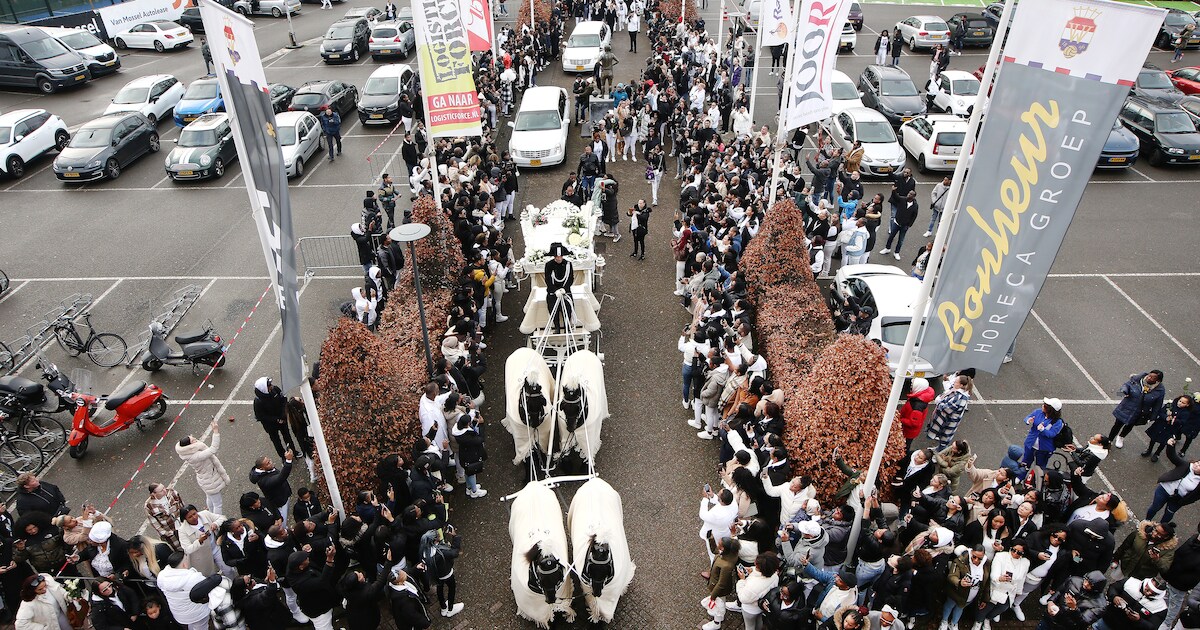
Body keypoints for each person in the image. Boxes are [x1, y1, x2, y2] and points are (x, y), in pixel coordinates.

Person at [175, 422, 230, 516]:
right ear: (190, 445)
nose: (196, 440)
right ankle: (218, 521)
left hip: (205, 481)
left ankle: (210, 515)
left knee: (210, 498)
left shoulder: (189, 454)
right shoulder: (196, 456)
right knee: (218, 504)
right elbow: (213, 449)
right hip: (210, 481)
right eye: (193, 440)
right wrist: (215, 432)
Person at [1145, 438, 1200, 524]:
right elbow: (1173, 456)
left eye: (1199, 466)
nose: (1196, 465)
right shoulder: (1186, 465)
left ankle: (1161, 527)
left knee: (1169, 514)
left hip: (1177, 499)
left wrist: (1182, 502)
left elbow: (1195, 496)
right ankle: (1146, 522)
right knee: (1155, 507)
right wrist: (1171, 446)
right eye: (1198, 462)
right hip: (1164, 489)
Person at [1109, 370, 1165, 449]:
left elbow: (1158, 404)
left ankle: (1121, 437)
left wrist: (1152, 417)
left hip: (1140, 412)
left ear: (1157, 381)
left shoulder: (1160, 390)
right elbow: (1125, 387)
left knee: (1130, 426)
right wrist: (1123, 392)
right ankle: (1110, 440)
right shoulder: (1136, 380)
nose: (1149, 378)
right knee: (1117, 424)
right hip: (1126, 407)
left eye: (1152, 378)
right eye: (1149, 375)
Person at [287, 546, 339, 630]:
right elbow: (322, 582)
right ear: (301, 567)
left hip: (323, 600)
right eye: (306, 559)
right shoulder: (301, 583)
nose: (308, 558)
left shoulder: (293, 568)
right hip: (318, 610)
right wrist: (330, 559)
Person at [158, 552, 211, 630]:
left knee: (191, 625)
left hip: (179, 614)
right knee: (201, 627)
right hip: (197, 613)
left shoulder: (161, 577)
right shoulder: (193, 578)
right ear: (184, 564)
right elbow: (207, 587)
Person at [1144, 395, 1198, 461]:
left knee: (1163, 442)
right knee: (1153, 438)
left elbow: (1183, 421)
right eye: (1180, 401)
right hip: (1160, 425)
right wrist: (1166, 417)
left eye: (1183, 403)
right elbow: (1161, 412)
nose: (1180, 403)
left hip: (1170, 429)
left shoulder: (1186, 413)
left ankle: (1157, 453)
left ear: (1187, 405)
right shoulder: (1170, 405)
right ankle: (1149, 450)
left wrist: (1175, 421)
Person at [701, 537, 739, 630]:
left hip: (719, 589)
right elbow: (715, 551)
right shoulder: (730, 553)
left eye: (719, 544)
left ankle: (717, 623)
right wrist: (711, 539)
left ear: (723, 548)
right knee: (720, 603)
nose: (718, 545)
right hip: (717, 586)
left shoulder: (726, 565)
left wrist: (713, 596)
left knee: (719, 606)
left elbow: (721, 584)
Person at [251, 377, 293, 461]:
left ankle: (292, 451)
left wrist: (283, 414)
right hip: (271, 426)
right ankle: (283, 457)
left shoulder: (275, 389)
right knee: (276, 441)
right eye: (269, 385)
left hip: (282, 419)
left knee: (287, 436)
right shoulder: (258, 401)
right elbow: (261, 416)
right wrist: (276, 419)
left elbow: (283, 399)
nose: (272, 386)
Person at [927, 375, 973, 449]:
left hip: (949, 422)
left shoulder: (961, 398)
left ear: (961, 385)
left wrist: (939, 402)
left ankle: (940, 451)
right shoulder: (955, 389)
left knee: (944, 439)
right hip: (944, 420)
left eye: (956, 382)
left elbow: (947, 409)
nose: (954, 382)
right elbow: (945, 394)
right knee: (940, 434)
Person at [1021, 398, 1065, 471]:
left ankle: (1035, 478)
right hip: (1030, 444)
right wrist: (1028, 420)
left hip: (1044, 449)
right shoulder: (1038, 412)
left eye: (1045, 406)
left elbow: (1052, 434)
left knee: (1040, 469)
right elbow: (1028, 417)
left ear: (1050, 410)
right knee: (1024, 464)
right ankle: (1021, 476)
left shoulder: (1058, 422)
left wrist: (1042, 430)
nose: (1042, 406)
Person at [145, 484, 187, 553]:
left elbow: (182, 505)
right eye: (161, 491)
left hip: (182, 524)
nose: (165, 491)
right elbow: (154, 523)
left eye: (164, 488)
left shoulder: (172, 493)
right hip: (171, 532)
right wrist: (166, 533)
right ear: (153, 494)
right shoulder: (149, 506)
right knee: (180, 550)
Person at [543, 242, 575, 333]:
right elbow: (548, 279)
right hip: (553, 293)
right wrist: (555, 290)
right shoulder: (549, 265)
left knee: (567, 309)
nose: (559, 258)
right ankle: (557, 327)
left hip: (565, 291)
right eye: (557, 257)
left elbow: (570, 279)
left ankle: (567, 327)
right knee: (553, 310)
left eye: (560, 256)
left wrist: (564, 289)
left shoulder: (568, 264)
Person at [879, 190, 918, 261]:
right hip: (896, 222)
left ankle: (896, 252)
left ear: (914, 197)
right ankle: (887, 248)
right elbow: (896, 196)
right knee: (891, 236)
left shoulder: (915, 206)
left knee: (901, 240)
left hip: (904, 226)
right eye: (909, 193)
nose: (909, 195)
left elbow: (914, 216)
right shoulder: (902, 199)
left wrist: (909, 225)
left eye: (911, 194)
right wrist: (893, 190)